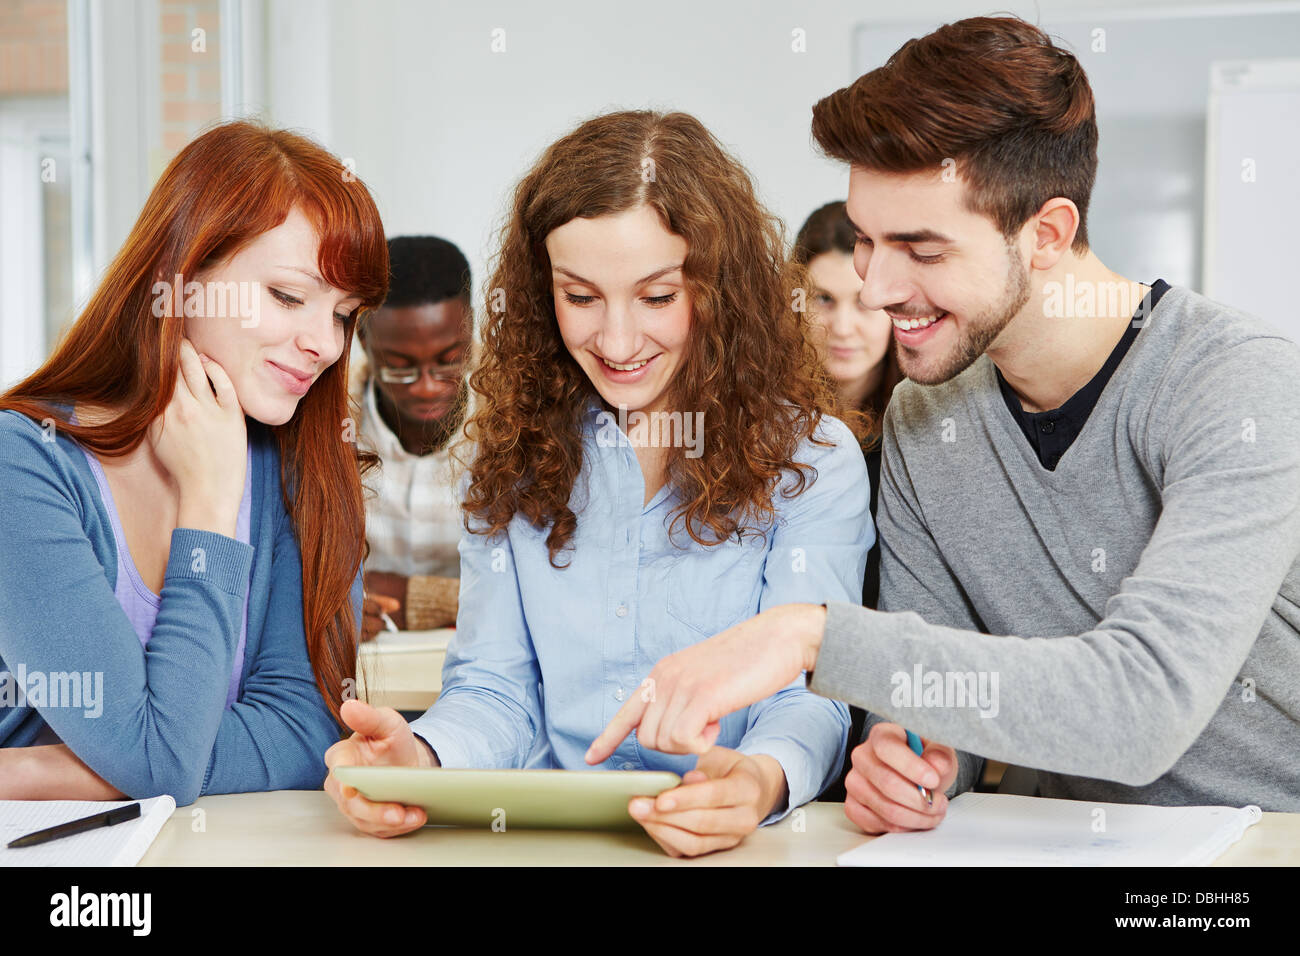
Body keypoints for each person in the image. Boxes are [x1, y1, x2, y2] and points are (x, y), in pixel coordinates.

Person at [588, 15, 1300, 828]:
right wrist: (916, 756)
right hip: (1072, 846)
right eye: (865, 239)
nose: (880, 287)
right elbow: (934, 682)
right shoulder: (927, 416)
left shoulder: (1238, 382)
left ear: (1047, 234)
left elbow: (1141, 710)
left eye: (922, 250)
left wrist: (811, 636)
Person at [324, 109, 869, 857]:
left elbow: (806, 693)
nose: (616, 342)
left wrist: (759, 779)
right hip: (556, 846)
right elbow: (495, 688)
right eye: (580, 298)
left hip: (739, 847)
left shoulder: (814, 460)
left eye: (656, 297)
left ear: (720, 290)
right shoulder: (513, 454)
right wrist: (420, 759)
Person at [0, 120, 387, 805]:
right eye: (289, 297)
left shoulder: (309, 472)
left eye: (344, 314)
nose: (324, 345)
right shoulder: (23, 466)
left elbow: (306, 730)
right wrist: (208, 499)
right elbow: (160, 763)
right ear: (182, 277)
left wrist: (36, 771)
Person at [793, 201, 902, 801]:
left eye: (864, 303)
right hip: (776, 706)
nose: (842, 326)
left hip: (884, 708)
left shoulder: (928, 436)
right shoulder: (760, 432)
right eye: (822, 300)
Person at [355, 236, 473, 640]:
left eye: (448, 361)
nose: (426, 388)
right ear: (363, 341)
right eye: (401, 368)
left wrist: (412, 597)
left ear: (471, 330)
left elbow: (537, 591)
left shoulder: (518, 427)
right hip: (356, 674)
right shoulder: (324, 423)